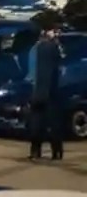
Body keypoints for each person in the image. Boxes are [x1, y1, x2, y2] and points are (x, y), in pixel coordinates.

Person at [27, 25, 65, 161]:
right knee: (53, 122)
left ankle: (35, 151)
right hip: (51, 91)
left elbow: (31, 73)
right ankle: (57, 151)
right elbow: (60, 65)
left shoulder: (34, 49)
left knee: (37, 122)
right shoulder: (52, 47)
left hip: (37, 90)